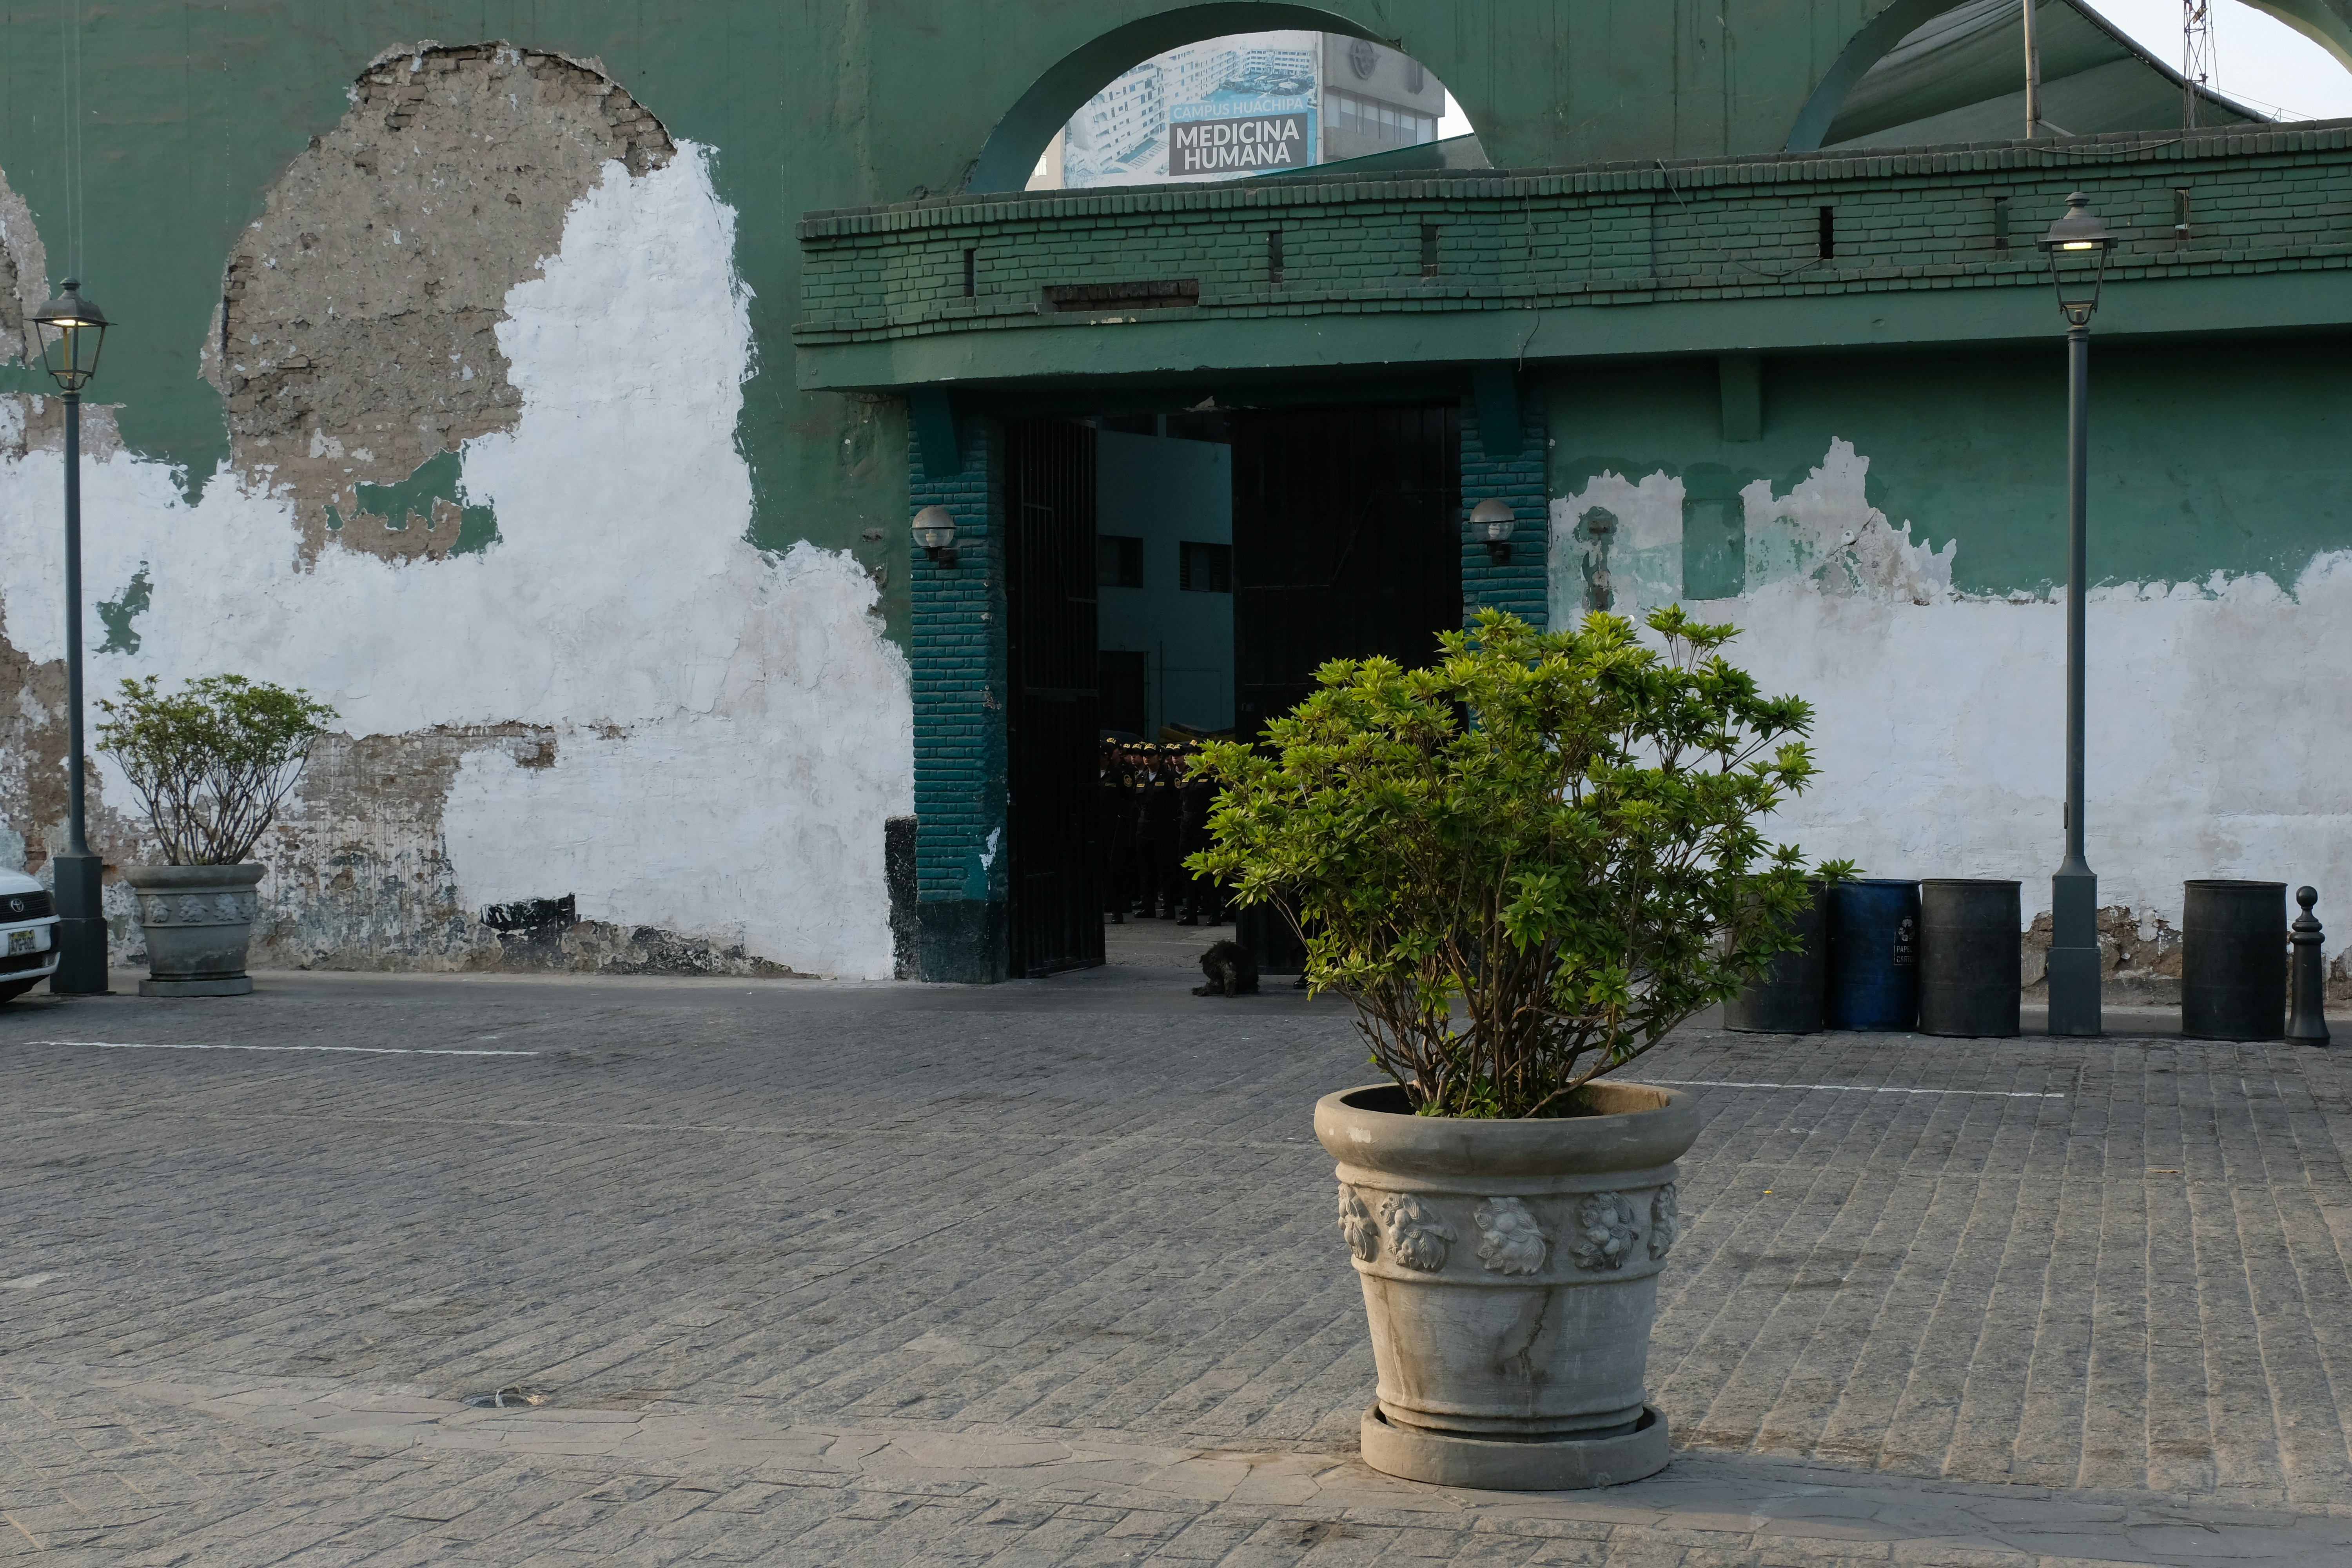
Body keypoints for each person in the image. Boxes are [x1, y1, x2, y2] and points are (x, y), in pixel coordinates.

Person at [1132, 744, 1180, 918]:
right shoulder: (1142, 777)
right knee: (1146, 869)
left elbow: (1177, 801)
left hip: (1163, 827)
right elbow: (1137, 801)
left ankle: (1168, 907)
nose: (1147, 758)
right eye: (1145, 755)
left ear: (1159, 757)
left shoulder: (1170, 777)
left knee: (1165, 869)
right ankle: (1148, 906)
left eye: (1151, 755)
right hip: (1144, 826)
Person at [1176, 752, 1222, 926]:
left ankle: (1214, 913)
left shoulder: (1214, 774)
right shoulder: (1187, 775)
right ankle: (1191, 913)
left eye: (1192, 754)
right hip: (1187, 827)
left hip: (1207, 826)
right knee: (1188, 871)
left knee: (1211, 872)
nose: (1189, 757)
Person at [1100, 738, 1135, 923]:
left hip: (1114, 829)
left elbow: (1129, 801)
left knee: (1115, 870)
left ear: (1106, 757)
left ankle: (1117, 910)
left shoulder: (1119, 775)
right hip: (1096, 829)